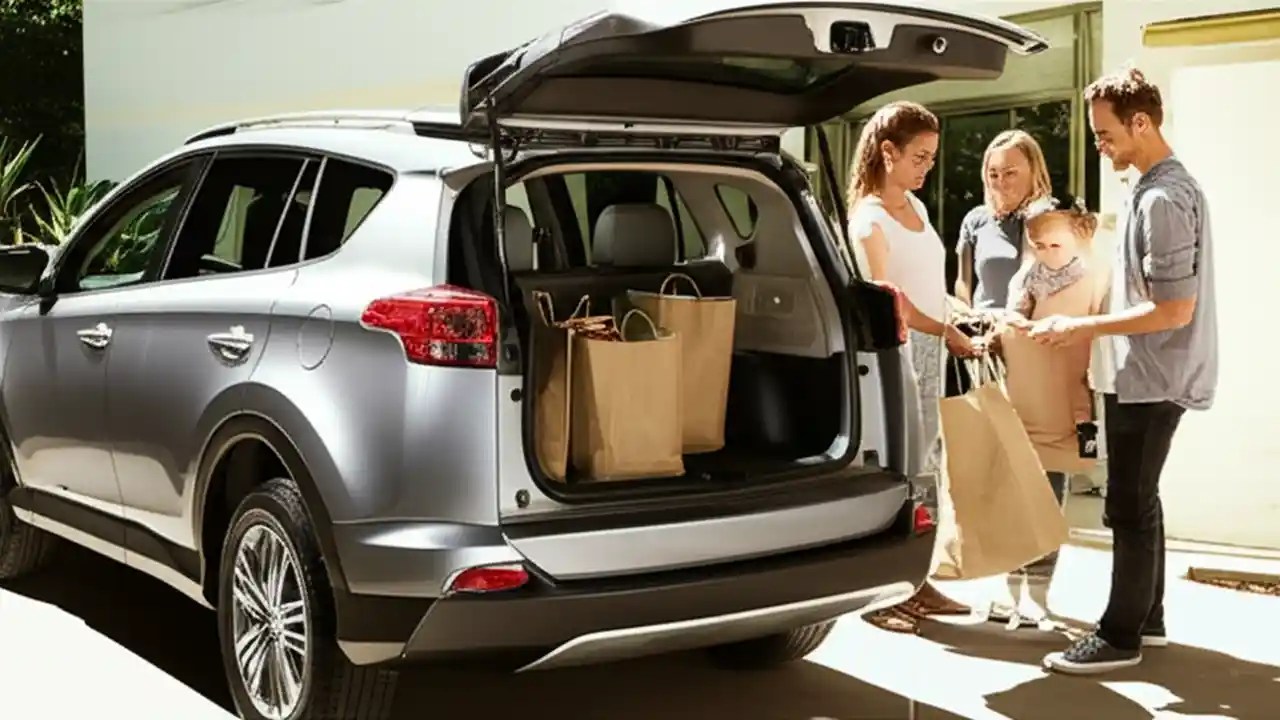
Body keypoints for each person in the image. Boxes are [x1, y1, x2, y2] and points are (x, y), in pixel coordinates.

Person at [1033, 66, 1217, 674]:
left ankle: (1118, 637)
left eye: (1106, 134)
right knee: (1143, 499)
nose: (1100, 145)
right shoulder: (1150, 188)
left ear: (1142, 122)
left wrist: (1080, 328)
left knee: (1127, 505)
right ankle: (1150, 617)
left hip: (1155, 374)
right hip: (1148, 372)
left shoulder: (1164, 197)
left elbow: (1173, 307)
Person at [844, 100, 977, 633]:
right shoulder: (868, 221)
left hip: (933, 346)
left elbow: (927, 282)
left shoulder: (916, 211)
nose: (927, 167)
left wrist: (960, 316)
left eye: (931, 157)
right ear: (887, 152)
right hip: (899, 353)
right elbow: (887, 302)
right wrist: (942, 327)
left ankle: (917, 581)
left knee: (927, 468)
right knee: (900, 468)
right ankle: (881, 594)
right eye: (919, 157)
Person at [992, 195, 1109, 628]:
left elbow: (1100, 339)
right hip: (1022, 398)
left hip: (1066, 401)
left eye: (1053, 245)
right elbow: (1010, 323)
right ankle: (1011, 590)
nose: (1043, 253)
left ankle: (1040, 593)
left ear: (1082, 234)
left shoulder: (1097, 278)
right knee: (1016, 497)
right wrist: (1011, 325)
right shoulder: (1026, 277)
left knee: (1048, 499)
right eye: (1036, 244)